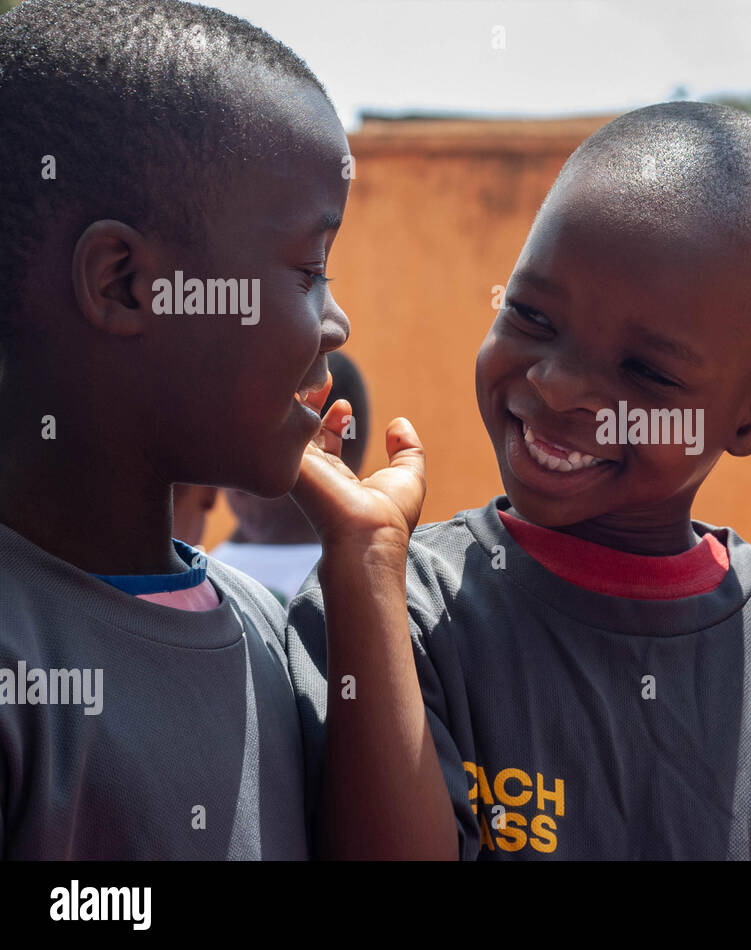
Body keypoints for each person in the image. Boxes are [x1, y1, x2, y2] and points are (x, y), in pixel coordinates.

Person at [289, 101, 751, 860]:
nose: (559, 384)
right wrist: (367, 564)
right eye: (532, 317)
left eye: (647, 372)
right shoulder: (394, 610)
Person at [0, 0, 452, 860]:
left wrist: (366, 560)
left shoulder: (262, 626)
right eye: (310, 270)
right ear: (126, 284)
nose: (338, 322)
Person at [213, 350, 371, 603]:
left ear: (335, 454)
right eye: (229, 441)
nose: (235, 468)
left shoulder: (360, 582)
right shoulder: (207, 573)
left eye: (260, 444)